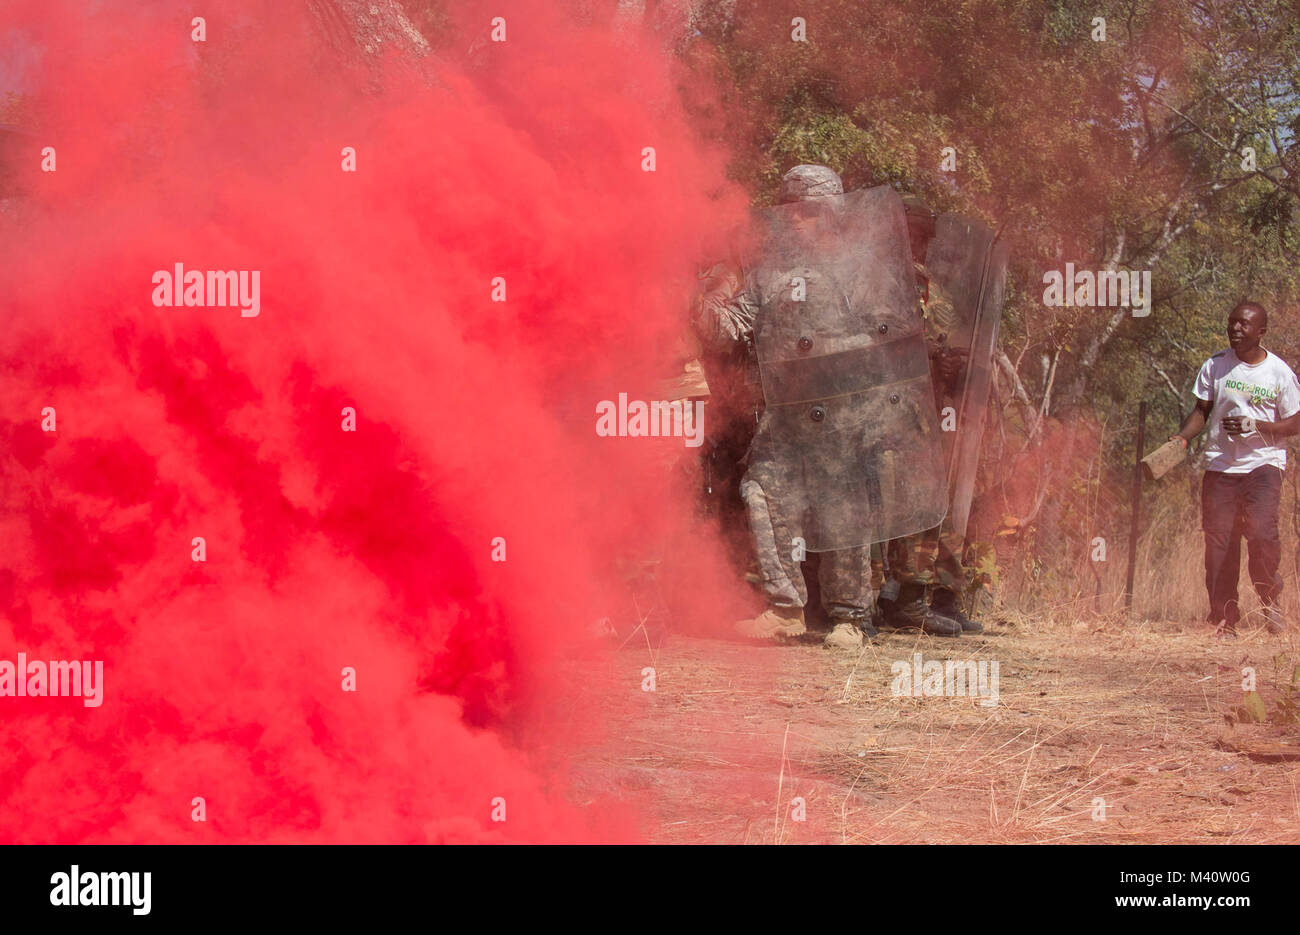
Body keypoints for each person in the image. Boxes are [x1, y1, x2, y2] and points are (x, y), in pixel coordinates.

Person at [695, 165, 950, 651]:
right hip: (789, 412)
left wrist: (845, 364)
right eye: (791, 210)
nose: (798, 221)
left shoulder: (863, 269)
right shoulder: (770, 273)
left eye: (809, 212)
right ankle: (785, 608)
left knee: (846, 511)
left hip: (847, 410)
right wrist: (698, 306)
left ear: (832, 215)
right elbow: (731, 328)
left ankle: (849, 618)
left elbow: (894, 335)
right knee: (762, 492)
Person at [1172, 301, 1300, 638]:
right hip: (1221, 466)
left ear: (1261, 332)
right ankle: (1225, 616)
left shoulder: (1279, 373)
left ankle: (1269, 600)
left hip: (1263, 466)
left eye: (1244, 324)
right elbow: (1201, 410)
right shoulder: (1215, 366)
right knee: (1219, 545)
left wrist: (1257, 426)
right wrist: (1183, 439)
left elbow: (1296, 420)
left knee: (1260, 535)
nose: (1236, 329)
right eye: (1232, 323)